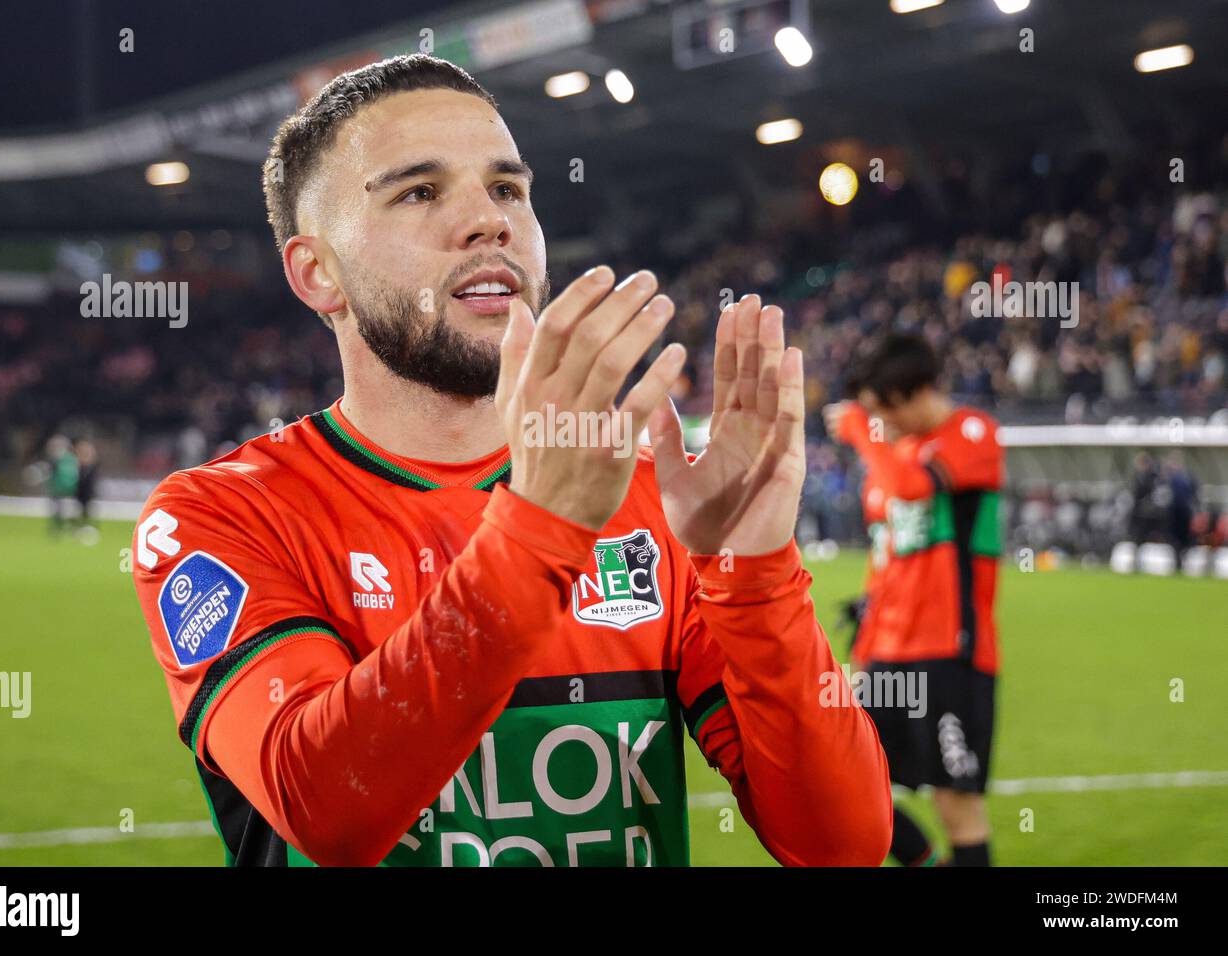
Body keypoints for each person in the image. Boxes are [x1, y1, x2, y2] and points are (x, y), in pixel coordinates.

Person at [131, 54, 890, 867]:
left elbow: (841, 844)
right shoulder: (221, 516)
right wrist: (541, 532)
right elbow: (325, 807)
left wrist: (755, 574)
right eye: (419, 192)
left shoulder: (650, 501)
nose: (488, 221)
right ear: (319, 274)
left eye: (507, 189)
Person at [826, 333, 1003, 867]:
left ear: (919, 390)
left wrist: (860, 431)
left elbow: (913, 487)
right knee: (844, 778)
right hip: (887, 653)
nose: (886, 422)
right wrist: (865, 639)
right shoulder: (891, 462)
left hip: (950, 651)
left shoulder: (973, 434)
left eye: (888, 409)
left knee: (956, 801)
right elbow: (886, 561)